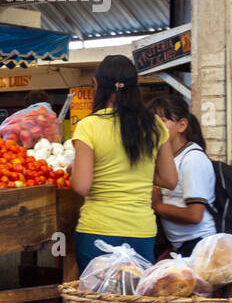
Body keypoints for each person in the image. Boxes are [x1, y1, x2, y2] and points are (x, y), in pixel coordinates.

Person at [69, 55, 178, 269]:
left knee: (98, 300)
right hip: (141, 231)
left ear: (96, 83)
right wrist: (140, 172)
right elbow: (170, 179)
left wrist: (75, 170)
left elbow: (81, 186)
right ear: (135, 86)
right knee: (135, 301)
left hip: (98, 230)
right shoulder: (154, 125)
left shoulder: (89, 126)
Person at [148, 94, 216, 258]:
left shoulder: (192, 159)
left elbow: (194, 215)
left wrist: (158, 206)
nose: (153, 126)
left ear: (182, 125)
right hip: (181, 246)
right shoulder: (169, 159)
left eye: (161, 120)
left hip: (199, 246)